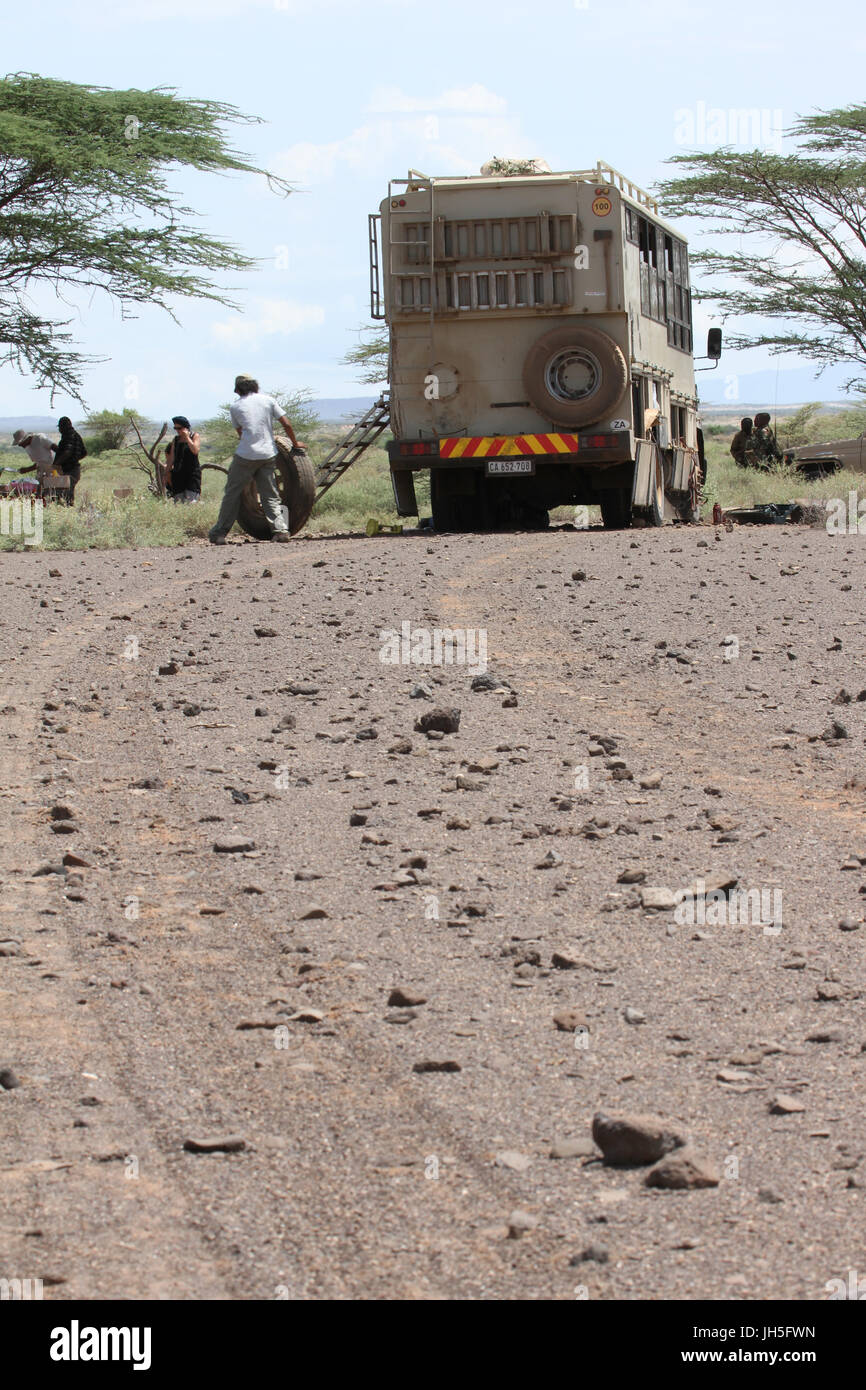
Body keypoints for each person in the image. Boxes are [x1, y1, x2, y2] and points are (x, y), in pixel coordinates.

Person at [208, 376, 304, 545]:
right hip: (268, 454)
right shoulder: (268, 401)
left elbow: (241, 433)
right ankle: (281, 531)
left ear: (237, 390)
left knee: (232, 493)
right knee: (270, 494)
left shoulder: (236, 407)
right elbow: (286, 424)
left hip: (245, 455)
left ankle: (219, 533)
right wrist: (295, 443)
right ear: (255, 387)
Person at [165, 416, 201, 503]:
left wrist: (187, 438)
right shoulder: (176, 440)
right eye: (175, 428)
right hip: (178, 475)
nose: (177, 430)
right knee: (178, 502)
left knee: (191, 501)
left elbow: (195, 451)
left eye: (179, 428)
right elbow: (171, 458)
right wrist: (167, 473)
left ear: (185, 427)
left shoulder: (194, 436)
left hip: (192, 475)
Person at [53, 417, 87, 506]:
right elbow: (84, 453)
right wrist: (74, 458)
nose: (59, 429)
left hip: (69, 470)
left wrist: (56, 464)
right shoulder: (76, 436)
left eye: (60, 427)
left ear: (63, 427)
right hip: (75, 470)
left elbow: (67, 452)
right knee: (68, 495)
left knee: (64, 496)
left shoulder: (69, 436)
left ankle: (66, 514)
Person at [12, 427, 58, 494]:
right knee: (39, 493)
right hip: (41, 472)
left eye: (21, 443)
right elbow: (38, 463)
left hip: (53, 470)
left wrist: (58, 465)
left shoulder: (39, 438)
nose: (20, 445)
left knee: (52, 492)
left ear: (26, 439)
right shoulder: (28, 447)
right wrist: (27, 469)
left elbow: (55, 448)